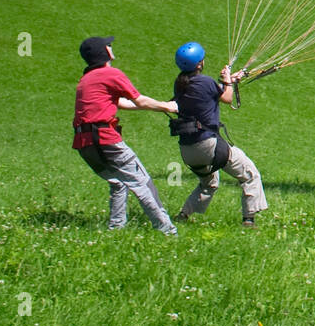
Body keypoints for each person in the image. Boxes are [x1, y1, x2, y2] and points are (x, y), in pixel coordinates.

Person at [72, 36, 178, 235]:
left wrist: (155, 107)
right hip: (105, 138)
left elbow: (120, 103)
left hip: (84, 143)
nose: (112, 47)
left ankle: (116, 229)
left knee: (118, 182)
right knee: (142, 182)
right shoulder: (111, 74)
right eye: (109, 45)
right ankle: (168, 231)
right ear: (105, 52)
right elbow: (139, 100)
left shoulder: (86, 79)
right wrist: (168, 106)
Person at [169, 42, 269, 227]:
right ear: (199, 64)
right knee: (250, 175)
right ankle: (249, 220)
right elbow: (227, 98)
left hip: (188, 149)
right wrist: (227, 82)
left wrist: (228, 81)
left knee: (209, 183)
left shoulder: (180, 84)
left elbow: (211, 91)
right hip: (208, 145)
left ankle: (183, 216)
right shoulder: (206, 82)